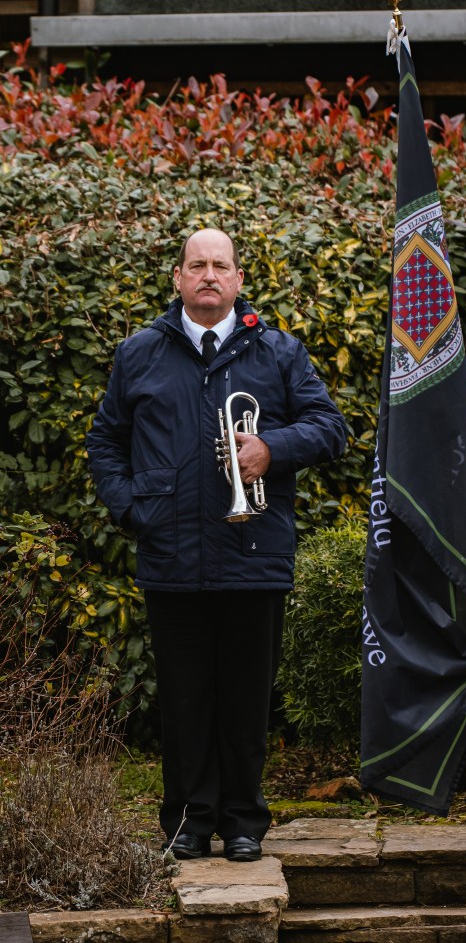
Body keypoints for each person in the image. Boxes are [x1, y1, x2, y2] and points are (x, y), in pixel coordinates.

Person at [87, 227, 347, 861]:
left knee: (244, 700)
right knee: (183, 700)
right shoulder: (139, 354)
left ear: (236, 279)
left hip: (252, 552)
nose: (208, 275)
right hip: (170, 555)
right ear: (178, 278)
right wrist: (133, 510)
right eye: (196, 265)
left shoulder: (279, 353)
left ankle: (242, 825)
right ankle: (187, 822)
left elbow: (330, 427)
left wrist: (272, 448)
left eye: (220, 266)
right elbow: (105, 443)